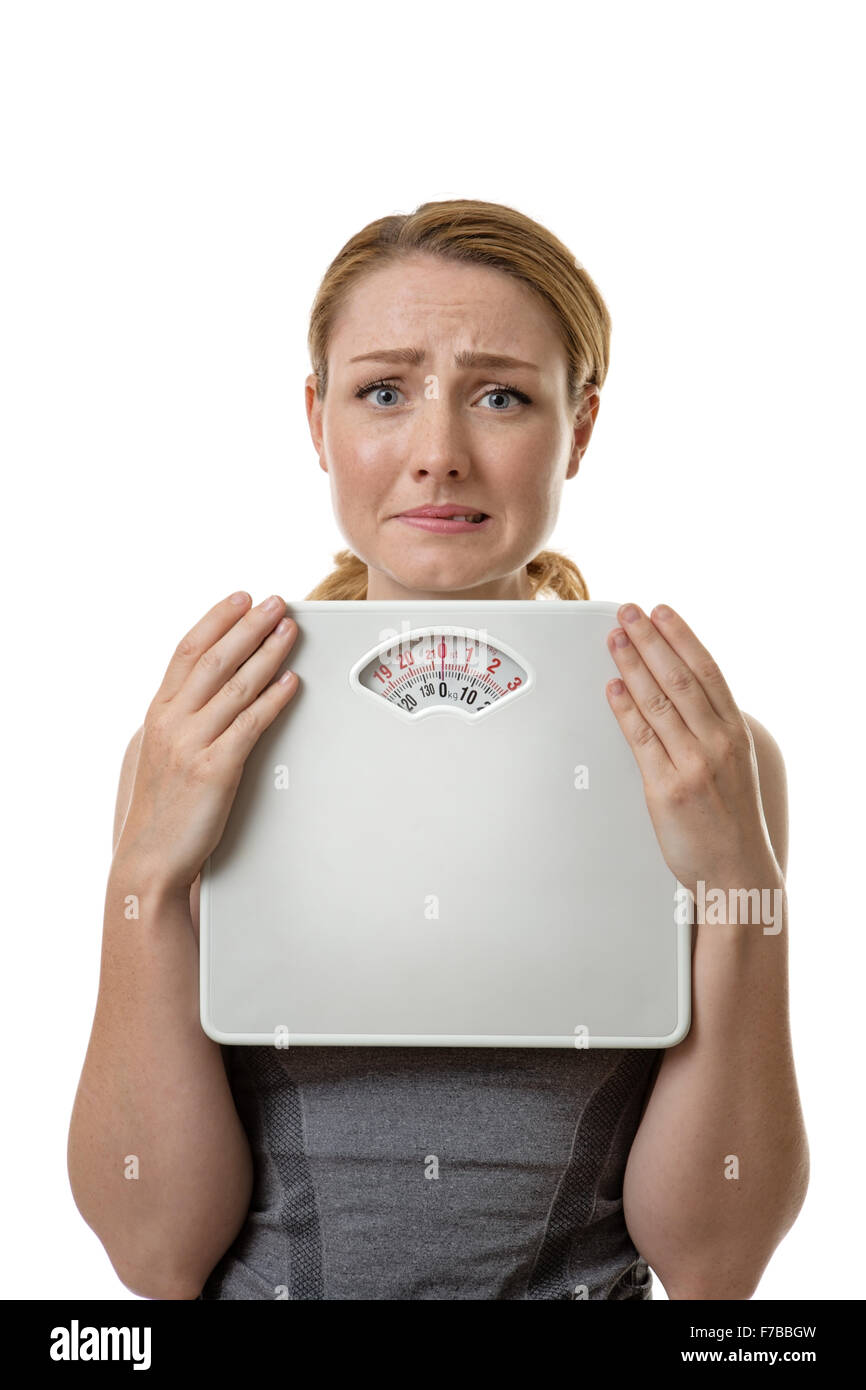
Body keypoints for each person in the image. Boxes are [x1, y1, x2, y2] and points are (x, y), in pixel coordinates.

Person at [67, 198, 809, 1301]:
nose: (437, 456)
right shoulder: (198, 742)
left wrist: (739, 889)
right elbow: (153, 1254)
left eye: (500, 396)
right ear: (315, 419)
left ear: (581, 426)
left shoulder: (700, 754)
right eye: (382, 391)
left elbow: (711, 1263)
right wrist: (144, 877)